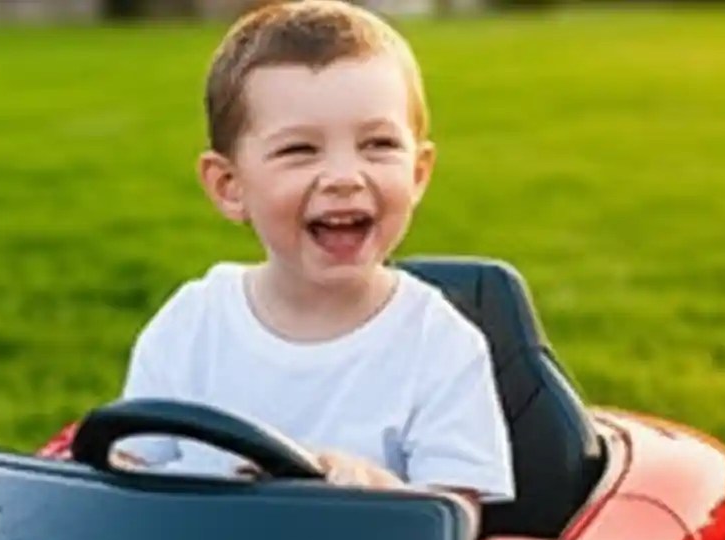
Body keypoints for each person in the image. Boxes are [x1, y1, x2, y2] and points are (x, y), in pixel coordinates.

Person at [111, 0, 514, 503]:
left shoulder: (441, 348)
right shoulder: (191, 325)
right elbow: (123, 484)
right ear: (230, 186)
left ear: (418, 173)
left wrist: (373, 491)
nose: (345, 177)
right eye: (299, 150)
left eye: (378, 145)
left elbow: (453, 533)